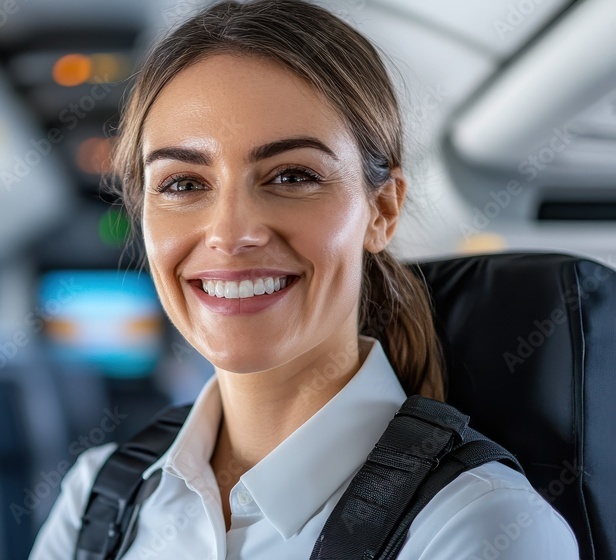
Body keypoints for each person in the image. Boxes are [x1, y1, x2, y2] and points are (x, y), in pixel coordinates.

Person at [29, 0, 579, 557]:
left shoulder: (476, 527)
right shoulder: (96, 500)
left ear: (382, 211)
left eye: (292, 175)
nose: (230, 232)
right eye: (183, 185)